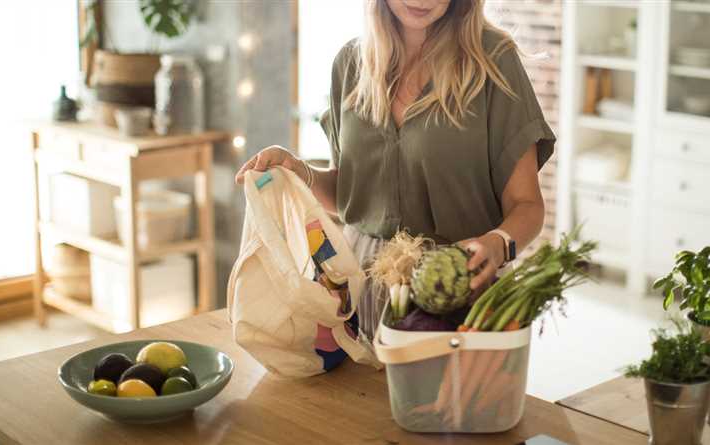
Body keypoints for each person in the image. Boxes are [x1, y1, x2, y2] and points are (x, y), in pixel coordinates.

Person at [236, 0, 555, 342]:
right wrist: (301, 172)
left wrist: (497, 245)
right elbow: (352, 195)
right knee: (353, 397)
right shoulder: (350, 64)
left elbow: (527, 206)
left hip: (461, 290)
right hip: (362, 287)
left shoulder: (493, 59)